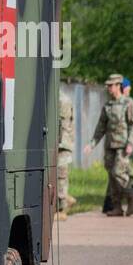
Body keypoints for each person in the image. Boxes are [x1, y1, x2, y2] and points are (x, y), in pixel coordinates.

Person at [85, 73, 133, 216]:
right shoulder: (108, 106)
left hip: (123, 146)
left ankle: (132, 198)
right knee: (112, 176)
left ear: (118, 86)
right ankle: (117, 207)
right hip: (110, 147)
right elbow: (100, 128)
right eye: (108, 86)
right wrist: (91, 145)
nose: (108, 88)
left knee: (118, 173)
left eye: (111, 85)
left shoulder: (128, 103)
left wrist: (131, 143)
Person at [57, 90, 75, 219]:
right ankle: (66, 199)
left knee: (61, 176)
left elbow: (63, 124)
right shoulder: (58, 97)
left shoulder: (62, 100)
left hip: (62, 143)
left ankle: (62, 209)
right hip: (59, 142)